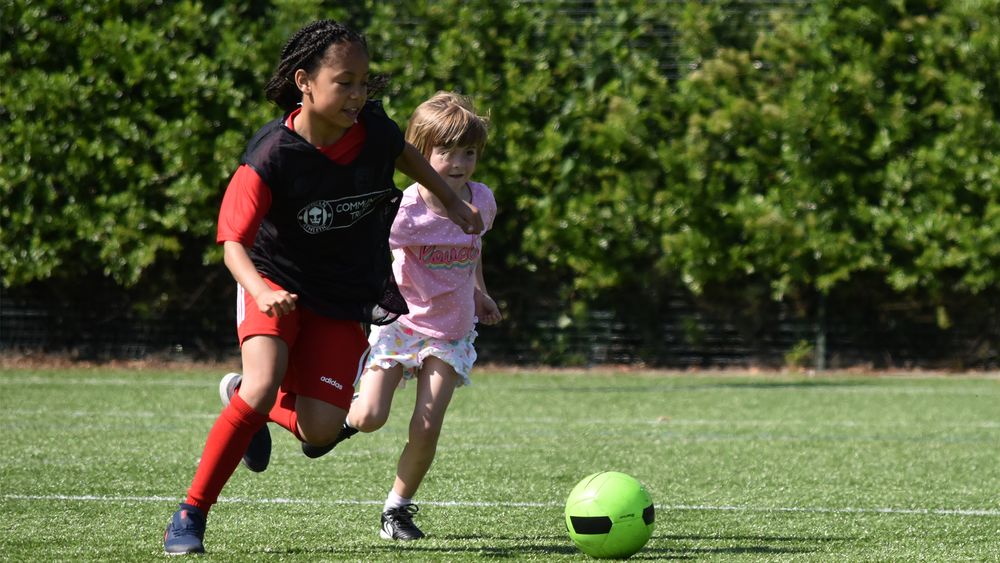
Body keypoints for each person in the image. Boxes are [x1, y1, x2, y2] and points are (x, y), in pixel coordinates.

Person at [162, 21, 483, 556]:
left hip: (341, 292)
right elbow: (233, 245)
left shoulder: (373, 131)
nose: (358, 96)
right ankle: (191, 515)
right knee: (262, 385)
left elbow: (403, 153)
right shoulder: (271, 154)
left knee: (319, 432)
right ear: (304, 81)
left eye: (363, 83)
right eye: (345, 82)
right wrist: (262, 293)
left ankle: (249, 405)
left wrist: (448, 201)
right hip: (272, 281)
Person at [307, 91, 502, 541]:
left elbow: (474, 249)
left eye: (468, 152)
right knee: (370, 416)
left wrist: (480, 294)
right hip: (401, 324)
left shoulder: (483, 200)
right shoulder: (403, 209)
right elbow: (364, 251)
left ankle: (396, 510)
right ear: (418, 151)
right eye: (445, 152)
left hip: (450, 330)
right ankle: (334, 424)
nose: (458, 163)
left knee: (427, 425)